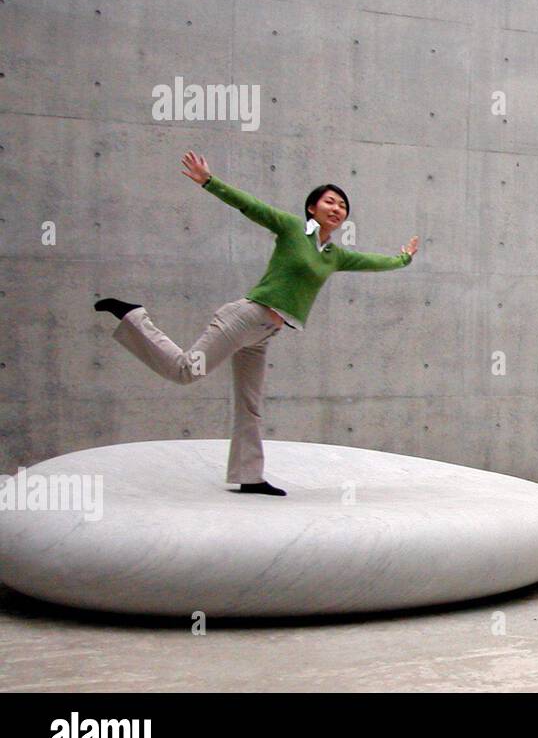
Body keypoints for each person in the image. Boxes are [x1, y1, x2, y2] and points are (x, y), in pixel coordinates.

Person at [94, 150, 420, 496]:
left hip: (264, 333)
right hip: (245, 316)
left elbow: (372, 262)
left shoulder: (334, 255)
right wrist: (209, 182)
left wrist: (403, 259)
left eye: (342, 205)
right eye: (329, 201)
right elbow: (251, 206)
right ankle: (133, 316)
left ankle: (249, 475)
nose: (337, 208)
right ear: (312, 208)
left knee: (250, 405)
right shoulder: (293, 229)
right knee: (186, 371)